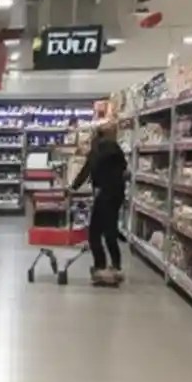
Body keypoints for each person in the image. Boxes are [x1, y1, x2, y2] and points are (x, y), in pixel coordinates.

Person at [70, 122, 127, 284]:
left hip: (104, 194)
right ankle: (116, 266)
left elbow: (87, 170)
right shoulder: (115, 148)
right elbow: (124, 168)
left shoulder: (97, 149)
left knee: (95, 233)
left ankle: (100, 266)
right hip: (116, 194)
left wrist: (73, 187)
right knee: (110, 231)